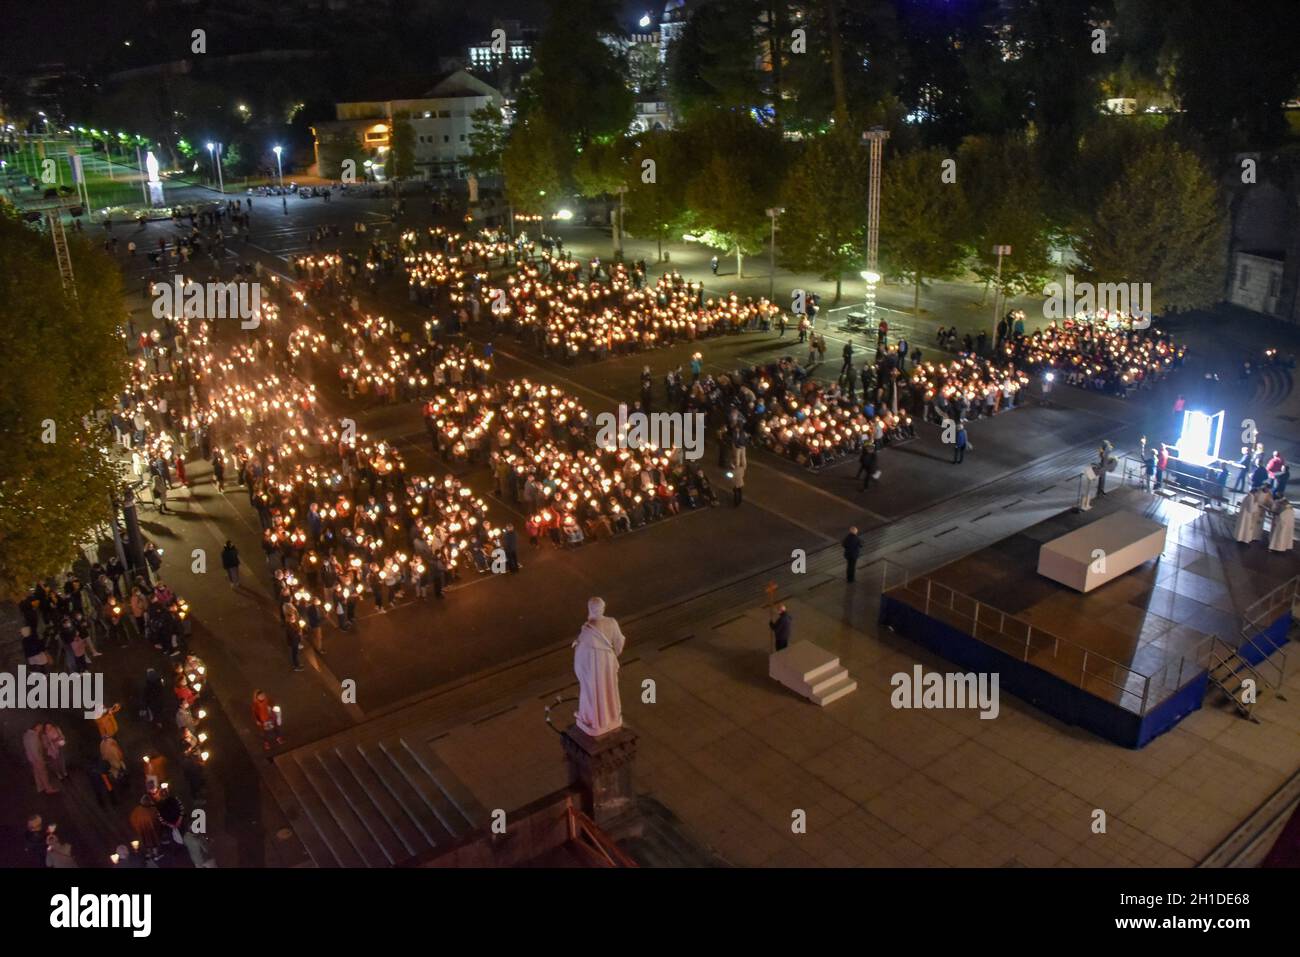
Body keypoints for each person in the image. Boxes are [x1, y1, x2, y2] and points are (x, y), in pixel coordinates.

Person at [23, 724, 57, 794]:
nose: (41, 728)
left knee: (37, 773)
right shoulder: (33, 736)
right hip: (37, 759)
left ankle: (40, 787)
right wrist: (40, 760)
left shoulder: (26, 735)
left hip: (32, 759)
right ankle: (48, 789)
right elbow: (34, 750)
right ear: (36, 726)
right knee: (43, 773)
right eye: (40, 726)